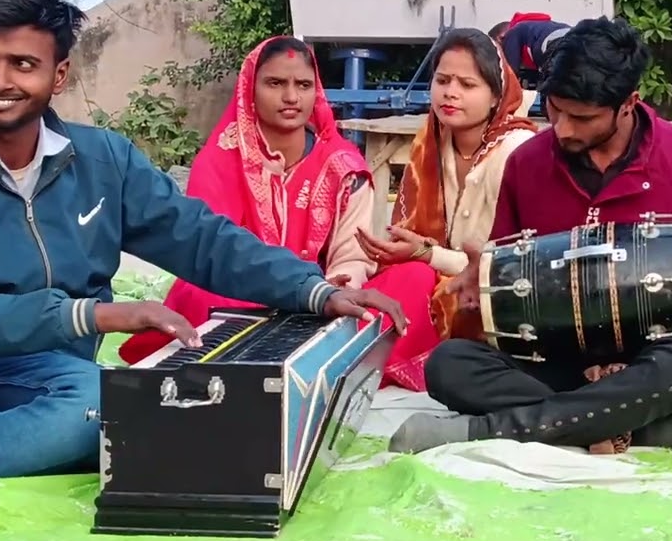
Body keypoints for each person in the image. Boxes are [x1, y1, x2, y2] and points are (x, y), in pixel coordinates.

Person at [0, 0, 405, 488]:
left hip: (57, 375)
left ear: (58, 76)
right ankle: (19, 440)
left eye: (23, 64)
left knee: (98, 403)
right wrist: (99, 315)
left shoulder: (105, 160)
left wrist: (315, 290)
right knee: (104, 413)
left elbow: (202, 239)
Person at [387, 17, 672, 459]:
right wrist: (487, 275)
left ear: (628, 103)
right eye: (555, 109)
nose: (563, 129)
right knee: (449, 365)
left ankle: (480, 431)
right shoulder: (528, 163)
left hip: (647, 360)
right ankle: (644, 427)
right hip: (552, 361)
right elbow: (508, 261)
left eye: (582, 117)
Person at [114, 36, 437, 390]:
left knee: (415, 278)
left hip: (328, 303)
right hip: (243, 297)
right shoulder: (220, 160)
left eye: (303, 85)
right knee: (196, 292)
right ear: (249, 90)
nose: (291, 97)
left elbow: (353, 255)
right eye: (275, 83)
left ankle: (317, 352)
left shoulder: (343, 165)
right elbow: (209, 253)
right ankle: (325, 359)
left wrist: (337, 288)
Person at [354, 28, 538, 347]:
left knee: (419, 279)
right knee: (404, 279)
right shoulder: (431, 142)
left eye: (467, 84)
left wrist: (427, 254)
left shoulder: (519, 153)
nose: (450, 93)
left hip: (497, 292)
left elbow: (515, 265)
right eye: (442, 81)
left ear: (497, 95)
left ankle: (391, 360)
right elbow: (415, 243)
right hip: (435, 281)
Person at [489, 12, 572, 87]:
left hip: (555, 45)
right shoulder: (540, 27)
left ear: (501, 38)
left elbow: (511, 73)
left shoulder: (513, 33)